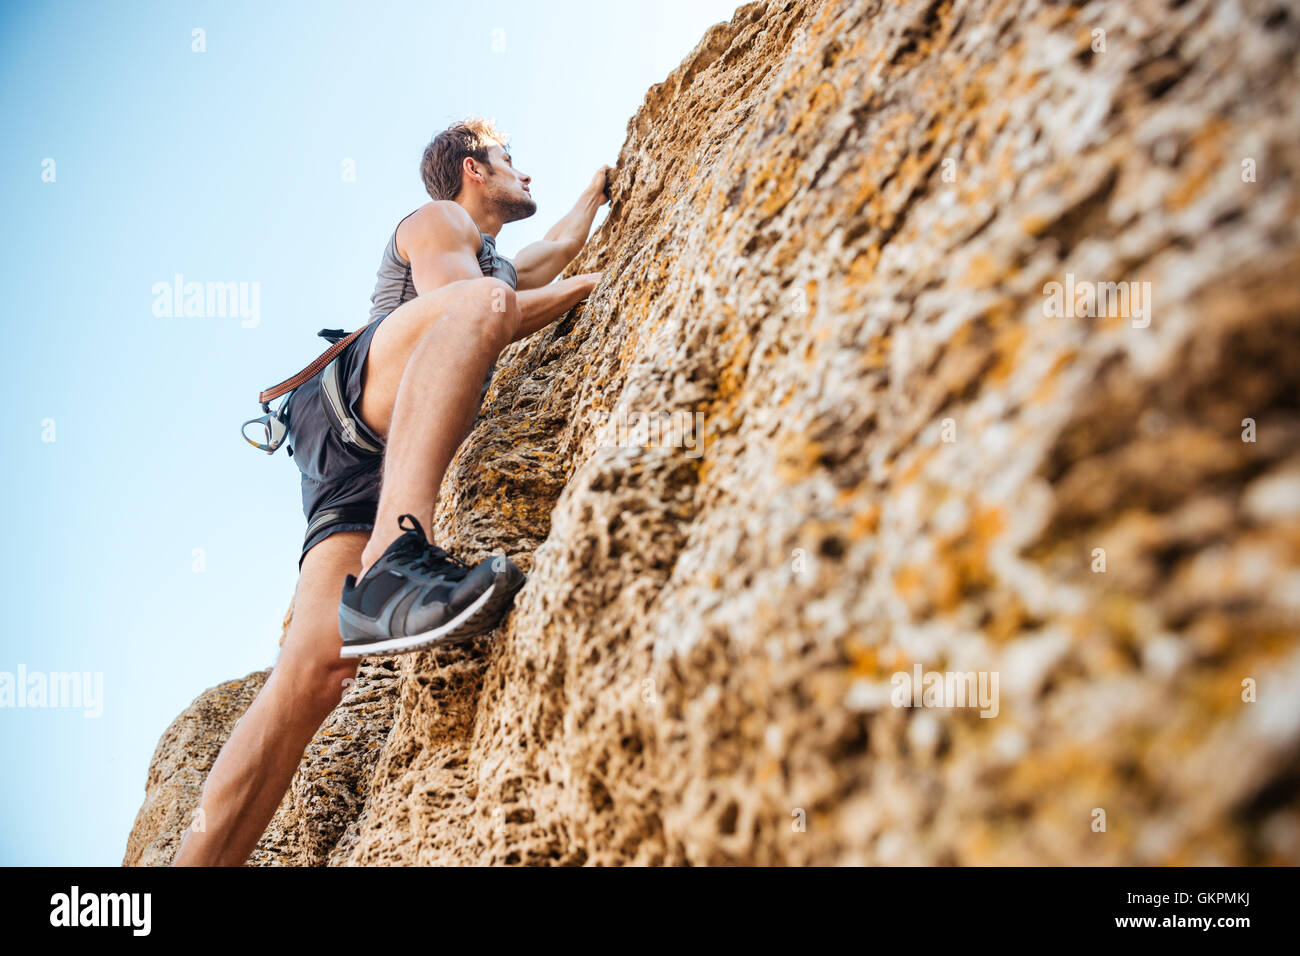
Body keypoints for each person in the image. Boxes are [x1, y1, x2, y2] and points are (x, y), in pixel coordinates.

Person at [175, 118, 608, 865]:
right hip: (351, 403)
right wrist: (589, 290)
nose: (526, 175)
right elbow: (479, 307)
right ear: (474, 170)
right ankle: (395, 552)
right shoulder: (438, 223)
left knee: (313, 672)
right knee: (483, 308)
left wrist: (601, 191)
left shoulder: (496, 262)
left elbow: (553, 253)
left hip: (356, 459)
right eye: (511, 161)